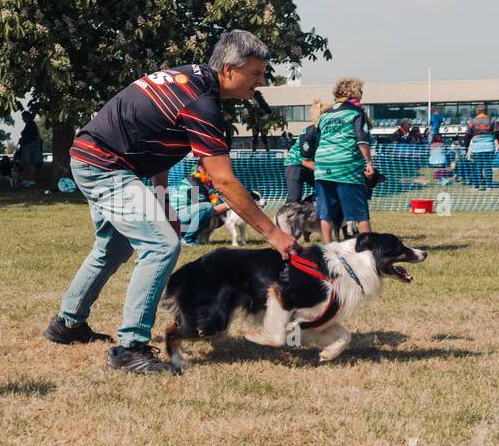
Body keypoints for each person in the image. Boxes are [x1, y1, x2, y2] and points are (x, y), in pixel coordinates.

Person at [44, 30, 297, 374]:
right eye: (255, 73)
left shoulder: (191, 79)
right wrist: (272, 233)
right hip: (105, 165)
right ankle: (130, 348)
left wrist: (163, 202)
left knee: (112, 249)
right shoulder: (202, 102)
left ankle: (68, 324)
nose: (262, 81)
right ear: (228, 70)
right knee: (161, 244)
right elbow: (222, 179)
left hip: (98, 158)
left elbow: (157, 140)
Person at [314, 78, 376, 241]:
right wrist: (369, 163)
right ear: (353, 92)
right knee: (359, 212)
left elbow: (318, 137)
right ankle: (368, 248)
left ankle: (328, 249)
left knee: (325, 213)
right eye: (360, 91)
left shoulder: (324, 114)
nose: (362, 95)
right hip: (346, 166)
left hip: (322, 165)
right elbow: (362, 140)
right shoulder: (356, 113)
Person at [171, 159, 232, 245]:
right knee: (207, 208)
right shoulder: (193, 185)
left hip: (184, 218)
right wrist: (231, 204)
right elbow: (207, 210)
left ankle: (200, 238)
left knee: (222, 213)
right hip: (176, 221)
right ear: (200, 168)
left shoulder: (205, 183)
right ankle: (188, 240)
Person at [282, 100, 325, 204]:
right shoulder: (309, 132)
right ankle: (283, 217)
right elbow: (305, 161)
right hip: (295, 164)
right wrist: (327, 172)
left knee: (327, 191)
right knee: (294, 199)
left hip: (311, 165)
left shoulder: (326, 132)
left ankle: (305, 209)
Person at [463, 104, 496, 189]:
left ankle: (477, 185)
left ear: (477, 112)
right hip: (489, 146)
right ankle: (489, 185)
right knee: (488, 166)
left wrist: (466, 148)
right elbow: (496, 132)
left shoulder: (472, 121)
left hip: (477, 147)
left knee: (477, 166)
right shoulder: (492, 120)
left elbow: (467, 135)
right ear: (485, 111)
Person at [17, 111, 41, 186]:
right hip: (26, 145)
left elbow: (31, 135)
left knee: (30, 163)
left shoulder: (31, 124)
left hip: (30, 145)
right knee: (26, 164)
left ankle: (32, 180)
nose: (22, 119)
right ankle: (26, 179)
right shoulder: (29, 124)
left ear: (26, 117)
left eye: (23, 117)